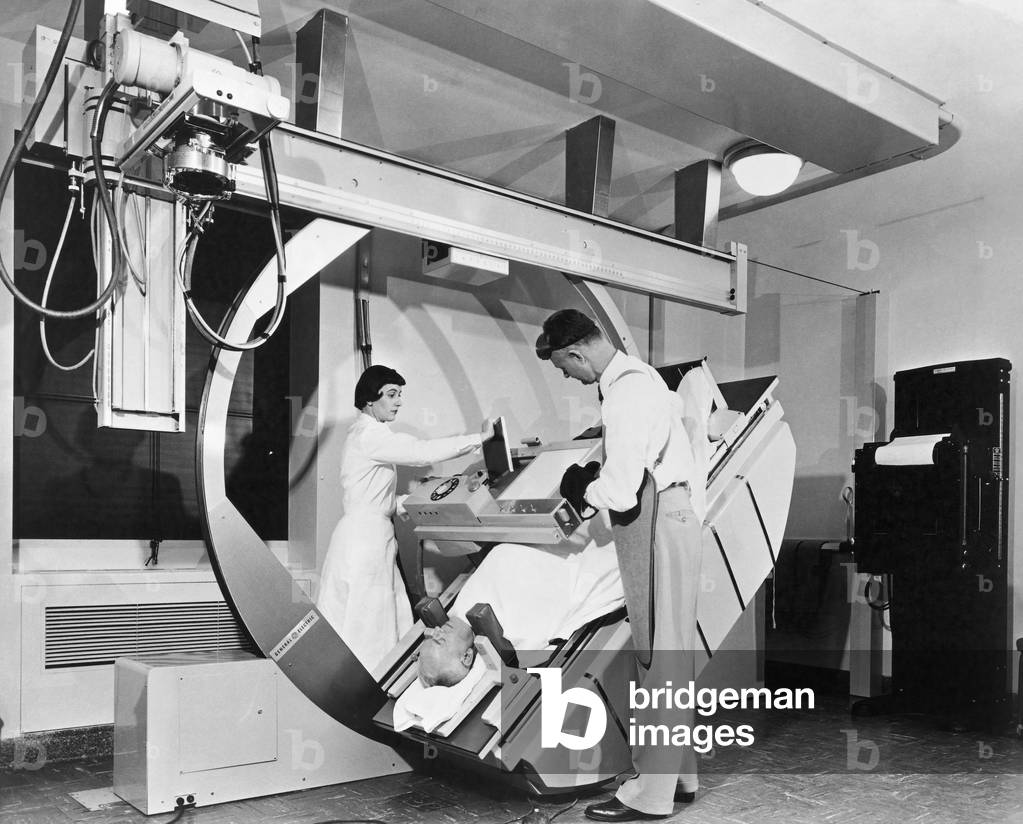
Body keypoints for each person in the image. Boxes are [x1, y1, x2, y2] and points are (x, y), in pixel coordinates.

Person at [535, 308, 705, 822]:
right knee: (670, 654)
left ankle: (648, 796)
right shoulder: (643, 380)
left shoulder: (628, 392)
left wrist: (580, 485)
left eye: (566, 368)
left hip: (655, 522)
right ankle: (680, 777)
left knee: (657, 658)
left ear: (575, 352)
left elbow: (621, 489)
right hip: (669, 517)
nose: (569, 376)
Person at [316, 364, 493, 672]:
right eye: (392, 394)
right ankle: (369, 686)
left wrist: (431, 496)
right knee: (367, 625)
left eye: (400, 395)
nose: (399, 402)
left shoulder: (366, 434)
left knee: (375, 619)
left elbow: (378, 499)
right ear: (371, 399)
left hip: (368, 536)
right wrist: (480, 439)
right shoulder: (369, 435)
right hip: (365, 542)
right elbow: (421, 452)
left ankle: (372, 683)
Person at [416, 518, 624, 687]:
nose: (436, 631)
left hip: (551, 544)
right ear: (467, 657)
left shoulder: (459, 610)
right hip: (573, 565)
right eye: (439, 641)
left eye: (430, 636)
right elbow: (547, 611)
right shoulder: (509, 629)